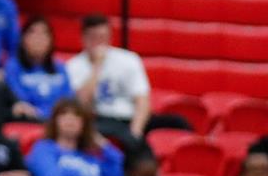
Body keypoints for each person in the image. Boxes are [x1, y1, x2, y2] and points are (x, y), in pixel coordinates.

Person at [66, 14, 183, 150]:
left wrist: (136, 131)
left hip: (131, 118)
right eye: (94, 38)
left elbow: (142, 100)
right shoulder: (73, 66)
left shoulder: (128, 59)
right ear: (84, 38)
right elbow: (81, 103)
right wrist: (97, 66)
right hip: (102, 118)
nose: (99, 42)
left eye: (103, 37)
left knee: (178, 122)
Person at [4, 16, 71, 120]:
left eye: (44, 34)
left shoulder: (60, 67)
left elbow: (69, 101)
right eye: (33, 33)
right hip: (30, 121)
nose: (38, 39)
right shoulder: (13, 67)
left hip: (59, 123)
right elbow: (21, 101)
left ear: (51, 40)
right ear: (23, 39)